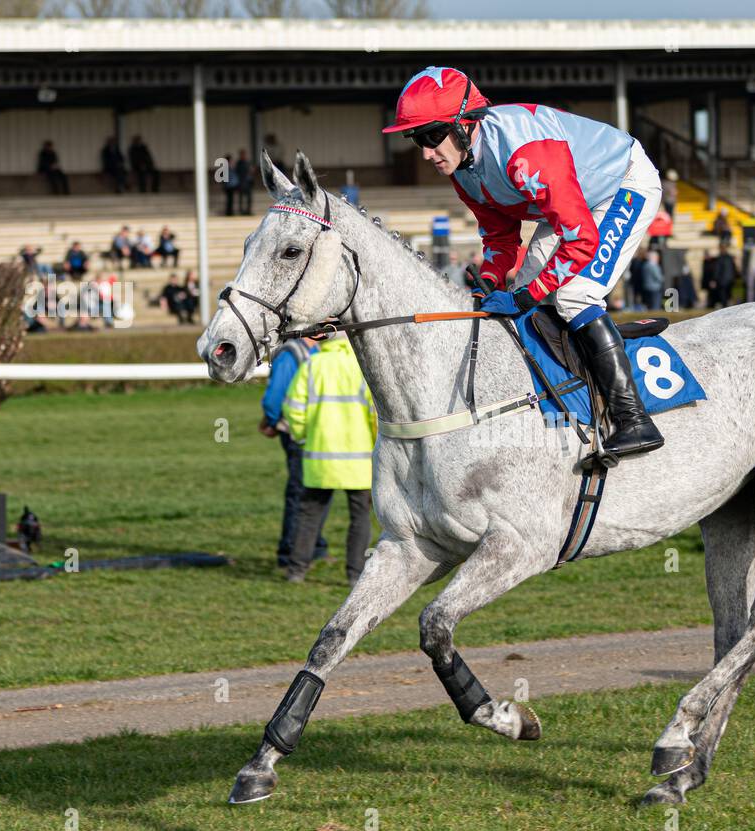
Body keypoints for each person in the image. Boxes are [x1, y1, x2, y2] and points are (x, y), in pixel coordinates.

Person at [381, 65, 664, 462]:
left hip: (622, 184)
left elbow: (581, 241)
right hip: (571, 205)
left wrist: (529, 294)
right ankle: (570, 403)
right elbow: (499, 236)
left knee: (574, 295)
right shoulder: (463, 172)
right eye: (417, 140)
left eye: (432, 136)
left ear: (465, 124)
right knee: (524, 299)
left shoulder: (522, 154)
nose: (426, 153)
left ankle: (633, 419)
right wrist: (491, 283)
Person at [281, 331, 376, 585]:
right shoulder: (361, 366)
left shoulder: (312, 364)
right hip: (359, 459)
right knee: (360, 517)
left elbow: (293, 408)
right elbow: (375, 412)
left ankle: (296, 570)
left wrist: (302, 437)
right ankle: (355, 573)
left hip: (319, 457)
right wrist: (377, 442)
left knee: (309, 514)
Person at [260, 335, 330, 573]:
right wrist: (271, 420)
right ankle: (289, 552)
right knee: (300, 493)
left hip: (316, 434)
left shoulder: (316, 352)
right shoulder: (291, 354)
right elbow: (275, 397)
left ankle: (314, 547)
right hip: (296, 433)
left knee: (315, 492)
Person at [235, 149, 254, 215]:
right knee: (241, 198)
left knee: (249, 198)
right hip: (241, 182)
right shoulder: (239, 163)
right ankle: (241, 210)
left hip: (248, 183)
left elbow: (251, 172)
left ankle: (248, 210)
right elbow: (237, 172)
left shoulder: (248, 162)